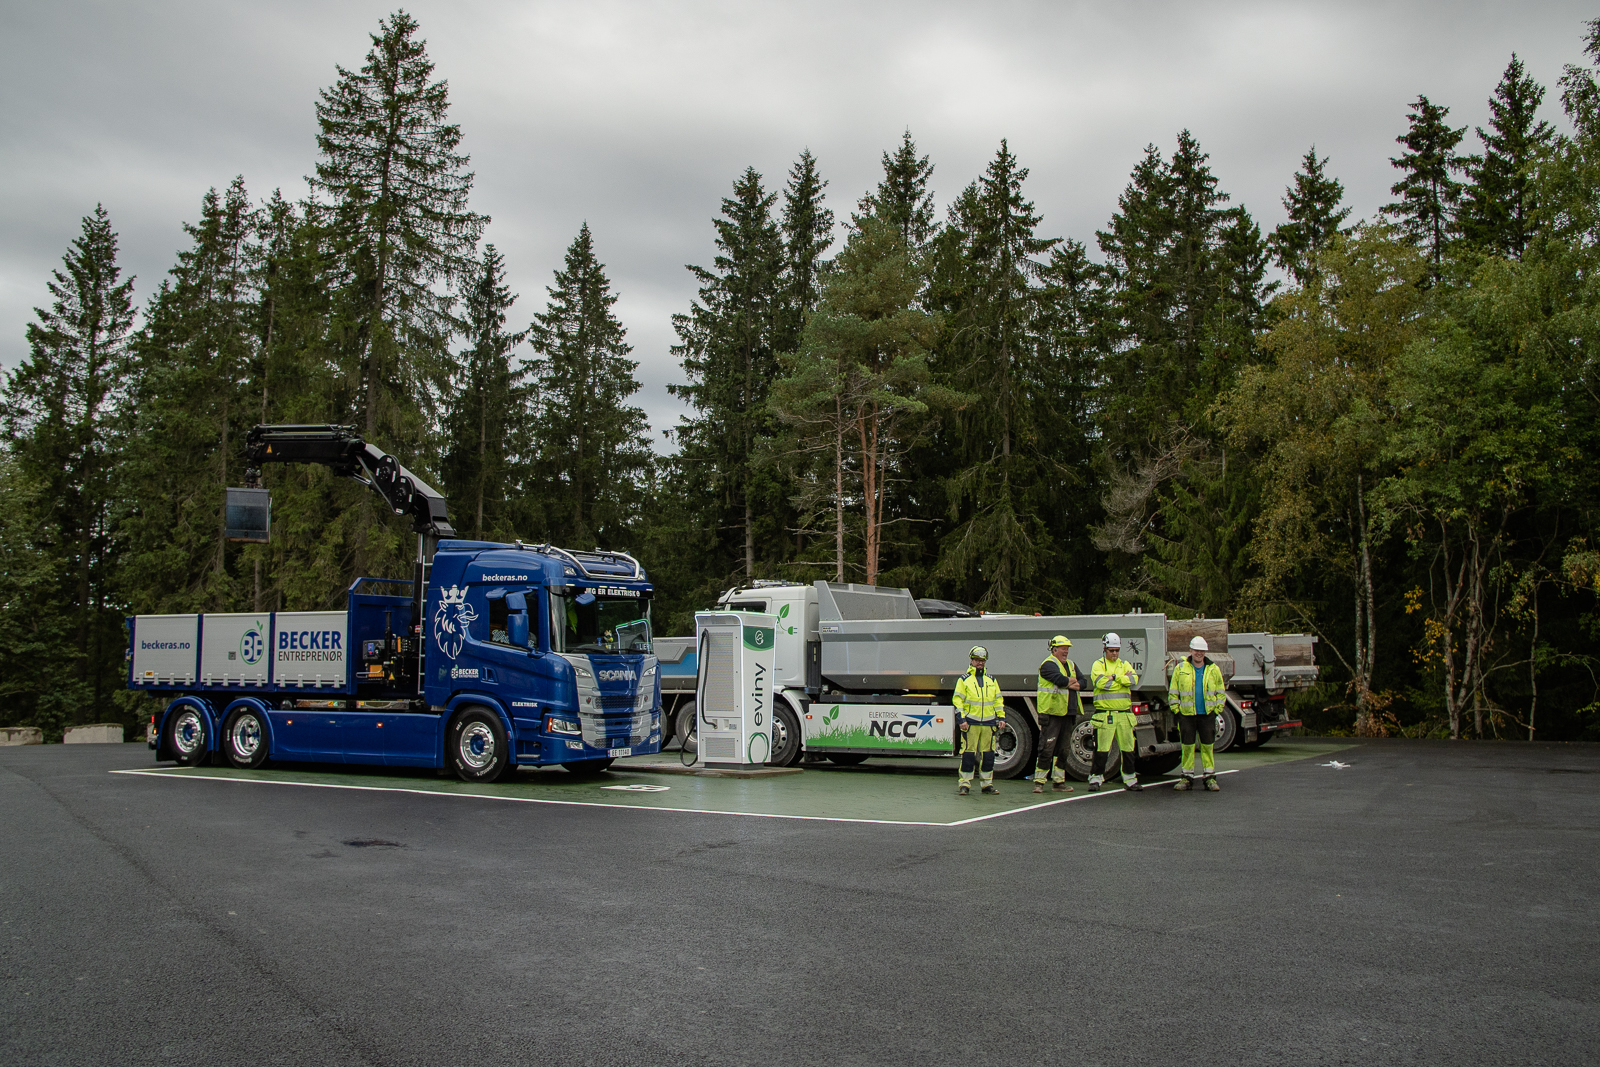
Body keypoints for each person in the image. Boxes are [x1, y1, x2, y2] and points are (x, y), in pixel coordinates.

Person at [1169, 635, 1226, 791]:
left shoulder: (1213, 669)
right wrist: (1176, 710)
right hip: (1186, 715)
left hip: (1207, 715)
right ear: (1191, 651)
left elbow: (1221, 691)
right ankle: (1186, 778)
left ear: (1205, 652)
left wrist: (1217, 710)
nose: (1199, 653)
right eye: (1196, 650)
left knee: (1207, 746)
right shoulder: (1180, 668)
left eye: (1202, 651)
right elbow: (1173, 691)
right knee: (1187, 747)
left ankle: (1209, 778)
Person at [1088, 633, 1141, 792]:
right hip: (1105, 714)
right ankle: (1095, 779)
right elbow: (1101, 684)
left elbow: (1133, 680)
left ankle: (1130, 780)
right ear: (1105, 649)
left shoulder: (1124, 664)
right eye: (1111, 650)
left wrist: (1114, 677)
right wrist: (1122, 680)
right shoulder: (1098, 665)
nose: (1114, 653)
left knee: (1128, 749)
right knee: (1101, 750)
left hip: (1124, 714)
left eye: (1117, 650)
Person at [1033, 636, 1082, 793]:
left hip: (1068, 712)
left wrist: (1070, 682)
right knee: (1047, 748)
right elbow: (1060, 680)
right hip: (1052, 712)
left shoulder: (1071, 664)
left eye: (1067, 648)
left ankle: (1059, 782)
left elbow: (1084, 682)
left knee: (1064, 749)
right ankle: (1039, 782)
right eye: (1063, 648)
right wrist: (1072, 682)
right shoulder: (1047, 665)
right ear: (1054, 650)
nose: (1066, 651)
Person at [954, 645, 1005, 796]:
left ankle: (987, 784)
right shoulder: (964, 680)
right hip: (970, 723)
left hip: (989, 724)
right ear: (971, 660)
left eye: (982, 660)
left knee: (988, 756)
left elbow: (998, 700)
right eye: (977, 660)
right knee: (968, 755)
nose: (980, 663)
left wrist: (1001, 717)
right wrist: (961, 719)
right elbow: (957, 701)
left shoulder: (992, 680)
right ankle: (964, 784)